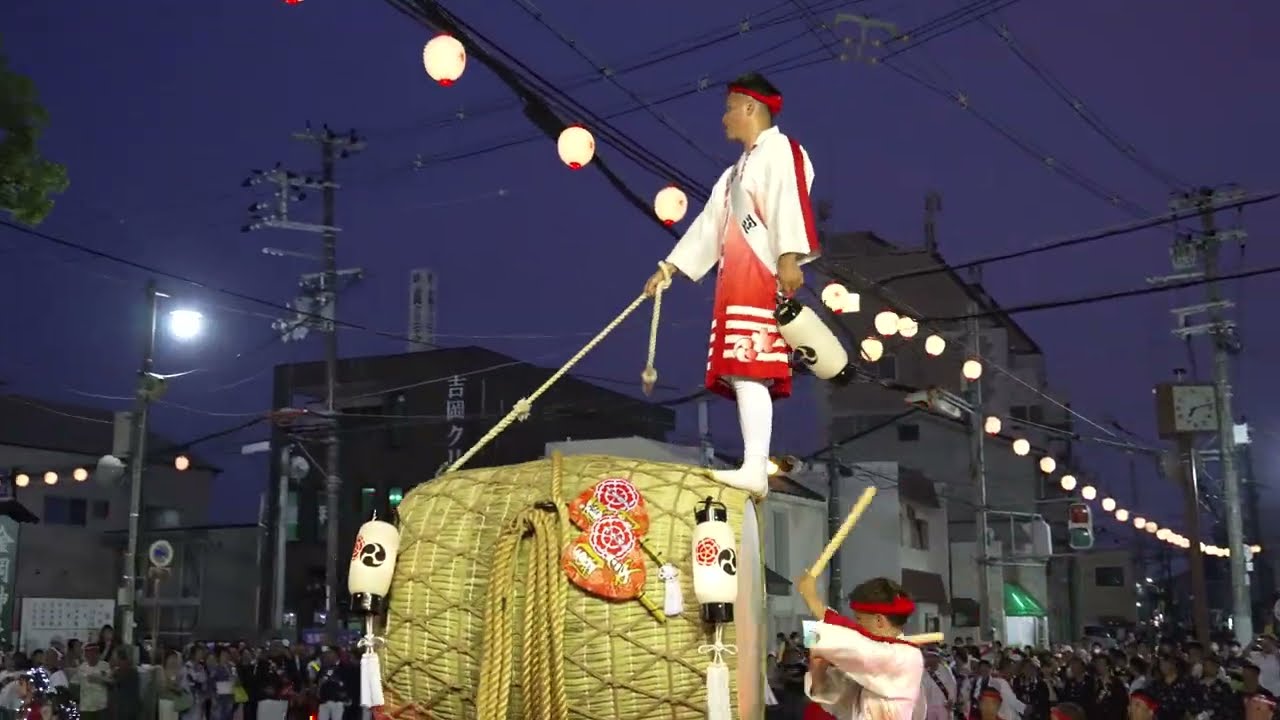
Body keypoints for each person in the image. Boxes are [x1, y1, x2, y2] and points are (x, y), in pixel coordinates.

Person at [644, 71, 820, 496]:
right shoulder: (733, 173)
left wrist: (789, 257)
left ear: (749, 107)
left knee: (750, 369)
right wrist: (671, 267)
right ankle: (753, 465)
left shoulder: (782, 150)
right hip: (736, 279)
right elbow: (709, 226)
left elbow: (790, 198)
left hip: (759, 272)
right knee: (744, 371)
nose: (724, 119)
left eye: (728, 109)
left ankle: (755, 466)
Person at [794, 574, 925, 719]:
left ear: (879, 620)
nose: (857, 624)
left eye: (859, 619)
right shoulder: (871, 664)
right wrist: (818, 673)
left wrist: (813, 603)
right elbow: (839, 705)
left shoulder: (904, 656)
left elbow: (853, 642)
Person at [922, 650, 956, 720]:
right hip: (929, 705)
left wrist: (951, 700)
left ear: (937, 658)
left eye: (931, 657)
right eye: (927, 657)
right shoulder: (923, 672)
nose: (929, 659)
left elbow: (952, 686)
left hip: (943, 705)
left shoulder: (945, 670)